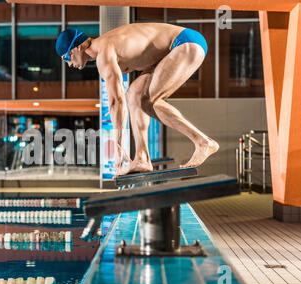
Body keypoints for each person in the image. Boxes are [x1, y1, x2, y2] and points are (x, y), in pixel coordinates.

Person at [55, 23, 219, 178]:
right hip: (172, 50)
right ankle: (142, 158)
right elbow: (122, 100)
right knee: (133, 94)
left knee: (150, 101)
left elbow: (115, 102)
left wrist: (118, 145)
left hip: (184, 43)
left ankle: (203, 142)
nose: (69, 65)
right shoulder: (105, 47)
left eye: (66, 58)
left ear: (76, 47)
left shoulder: (104, 54)